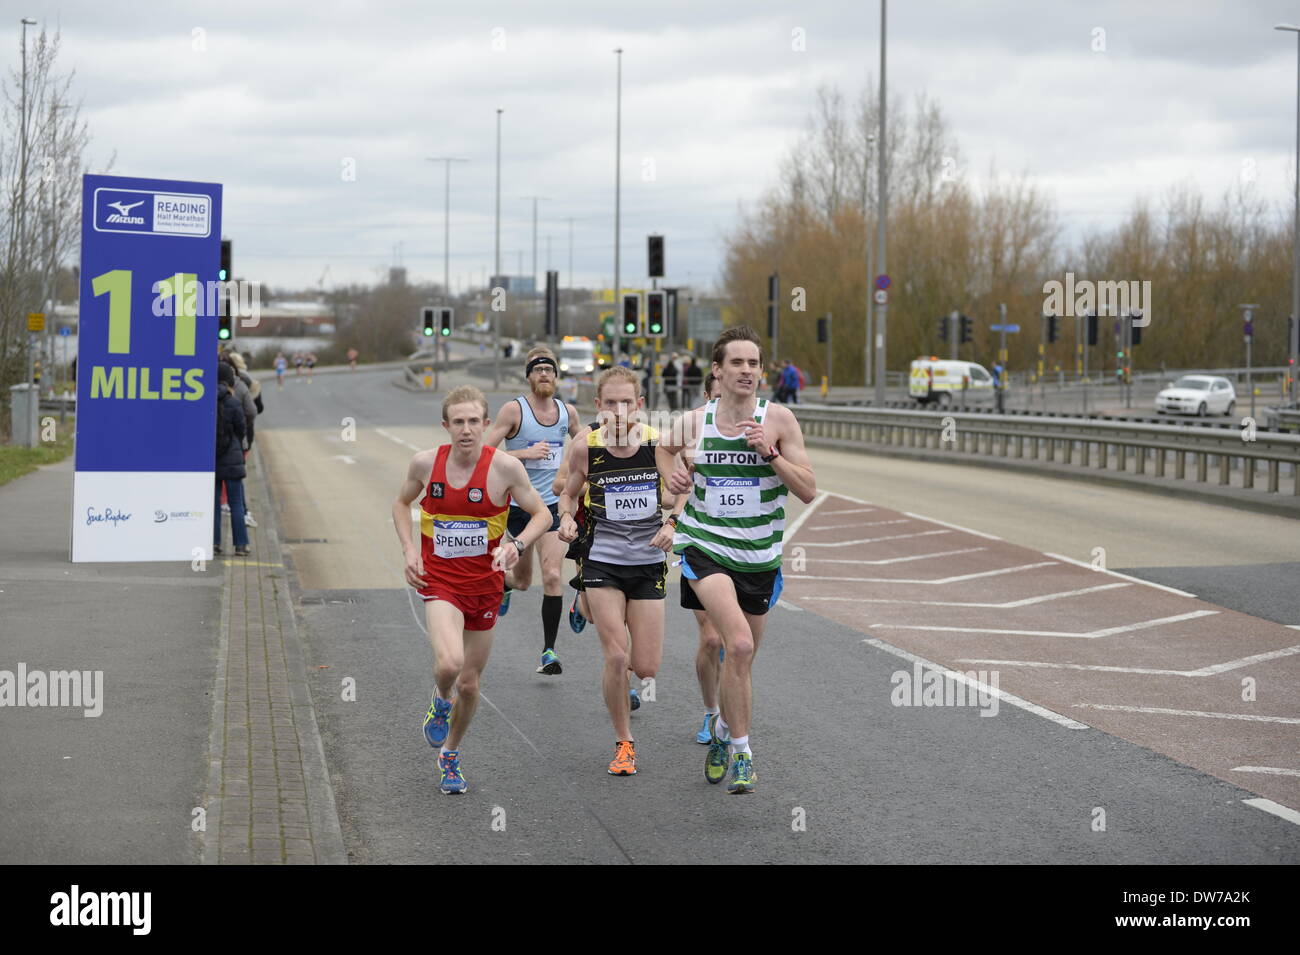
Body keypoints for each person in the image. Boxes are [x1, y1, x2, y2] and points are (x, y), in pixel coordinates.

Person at [656, 326, 818, 794]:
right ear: (717, 371)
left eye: (753, 364)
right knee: (739, 645)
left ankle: (725, 733)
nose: (746, 371)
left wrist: (770, 454)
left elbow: (807, 490)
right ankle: (744, 755)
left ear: (761, 372)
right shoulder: (695, 422)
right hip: (705, 546)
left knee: (743, 661)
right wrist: (675, 482)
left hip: (760, 557)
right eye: (737, 363)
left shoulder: (780, 420)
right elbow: (664, 451)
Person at [392, 385, 552, 794]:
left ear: (485, 424)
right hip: (440, 582)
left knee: (470, 683)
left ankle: (450, 753)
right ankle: (439, 700)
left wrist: (516, 544)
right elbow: (400, 504)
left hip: (485, 586)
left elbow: (542, 515)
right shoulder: (425, 464)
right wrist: (410, 549)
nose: (466, 430)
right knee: (450, 665)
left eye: (473, 422)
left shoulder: (505, 469)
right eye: (457, 422)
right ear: (446, 426)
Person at [558, 367, 679, 776]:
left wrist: (671, 522)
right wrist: (567, 520)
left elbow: (682, 492)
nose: (619, 410)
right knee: (617, 655)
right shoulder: (584, 448)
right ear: (598, 406)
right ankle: (624, 742)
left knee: (645, 667)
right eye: (610, 402)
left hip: (647, 563)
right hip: (602, 560)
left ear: (640, 406)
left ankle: (583, 605)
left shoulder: (656, 444)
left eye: (627, 402)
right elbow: (568, 493)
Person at [484, 346, 580, 675]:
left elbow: (586, 448)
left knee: (553, 575)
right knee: (524, 581)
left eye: (549, 370)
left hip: (552, 507)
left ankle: (548, 651)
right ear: (528, 376)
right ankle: (507, 585)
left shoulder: (567, 413)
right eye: (538, 370)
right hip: (520, 506)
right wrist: (525, 453)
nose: (543, 375)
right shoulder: (514, 411)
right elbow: (486, 452)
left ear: (556, 376)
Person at [690, 372, 727, 745]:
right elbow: (670, 480)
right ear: (706, 396)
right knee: (712, 638)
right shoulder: (693, 429)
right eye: (718, 398)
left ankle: (732, 717)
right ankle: (712, 712)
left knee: (740, 643)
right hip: (702, 545)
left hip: (745, 551)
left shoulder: (753, 428)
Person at [214, 363, 251, 558]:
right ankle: (241, 545)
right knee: (236, 502)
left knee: (213, 503)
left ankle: (214, 542)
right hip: (232, 456)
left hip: (211, 458)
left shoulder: (204, 399)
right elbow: (241, 429)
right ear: (230, 380)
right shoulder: (234, 402)